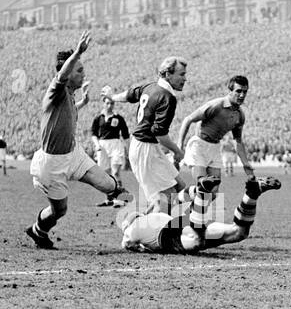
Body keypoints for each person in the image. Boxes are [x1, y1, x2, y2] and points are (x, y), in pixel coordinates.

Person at [25, 31, 129, 250]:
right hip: (51, 164)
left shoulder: (70, 96)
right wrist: (78, 52)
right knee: (59, 211)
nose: (84, 73)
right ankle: (38, 230)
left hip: (74, 155)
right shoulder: (56, 90)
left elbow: (67, 114)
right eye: (79, 70)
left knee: (110, 184)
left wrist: (84, 101)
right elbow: (60, 77)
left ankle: (138, 221)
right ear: (68, 72)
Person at [104, 56, 192, 214]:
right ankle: (139, 233)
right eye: (181, 74)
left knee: (180, 187)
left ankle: (173, 229)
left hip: (146, 146)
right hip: (144, 149)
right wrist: (177, 151)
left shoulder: (150, 87)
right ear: (167, 74)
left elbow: (129, 95)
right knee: (166, 199)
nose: (185, 79)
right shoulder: (167, 97)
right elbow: (160, 134)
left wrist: (112, 97)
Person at [120, 174, 281, 254]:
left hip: (167, 236)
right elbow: (180, 196)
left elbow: (127, 245)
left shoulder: (130, 230)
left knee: (197, 240)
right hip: (178, 222)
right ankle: (252, 194)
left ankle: (203, 195)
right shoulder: (156, 211)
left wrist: (142, 248)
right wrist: (194, 190)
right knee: (238, 233)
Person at [177, 75, 256, 222]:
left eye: (245, 92)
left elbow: (238, 141)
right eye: (238, 91)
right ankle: (192, 218)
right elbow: (188, 119)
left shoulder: (239, 115)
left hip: (215, 148)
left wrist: (246, 164)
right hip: (199, 146)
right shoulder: (216, 105)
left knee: (212, 193)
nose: (242, 95)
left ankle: (185, 207)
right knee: (203, 186)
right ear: (230, 90)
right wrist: (179, 147)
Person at [90, 96, 131, 206]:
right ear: (103, 103)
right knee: (105, 175)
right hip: (102, 146)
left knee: (116, 172)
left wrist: (129, 150)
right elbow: (93, 134)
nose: (110, 106)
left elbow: (126, 135)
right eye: (107, 103)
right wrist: (97, 144)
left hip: (116, 145)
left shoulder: (118, 118)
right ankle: (109, 199)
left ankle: (120, 199)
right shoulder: (98, 118)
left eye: (112, 103)